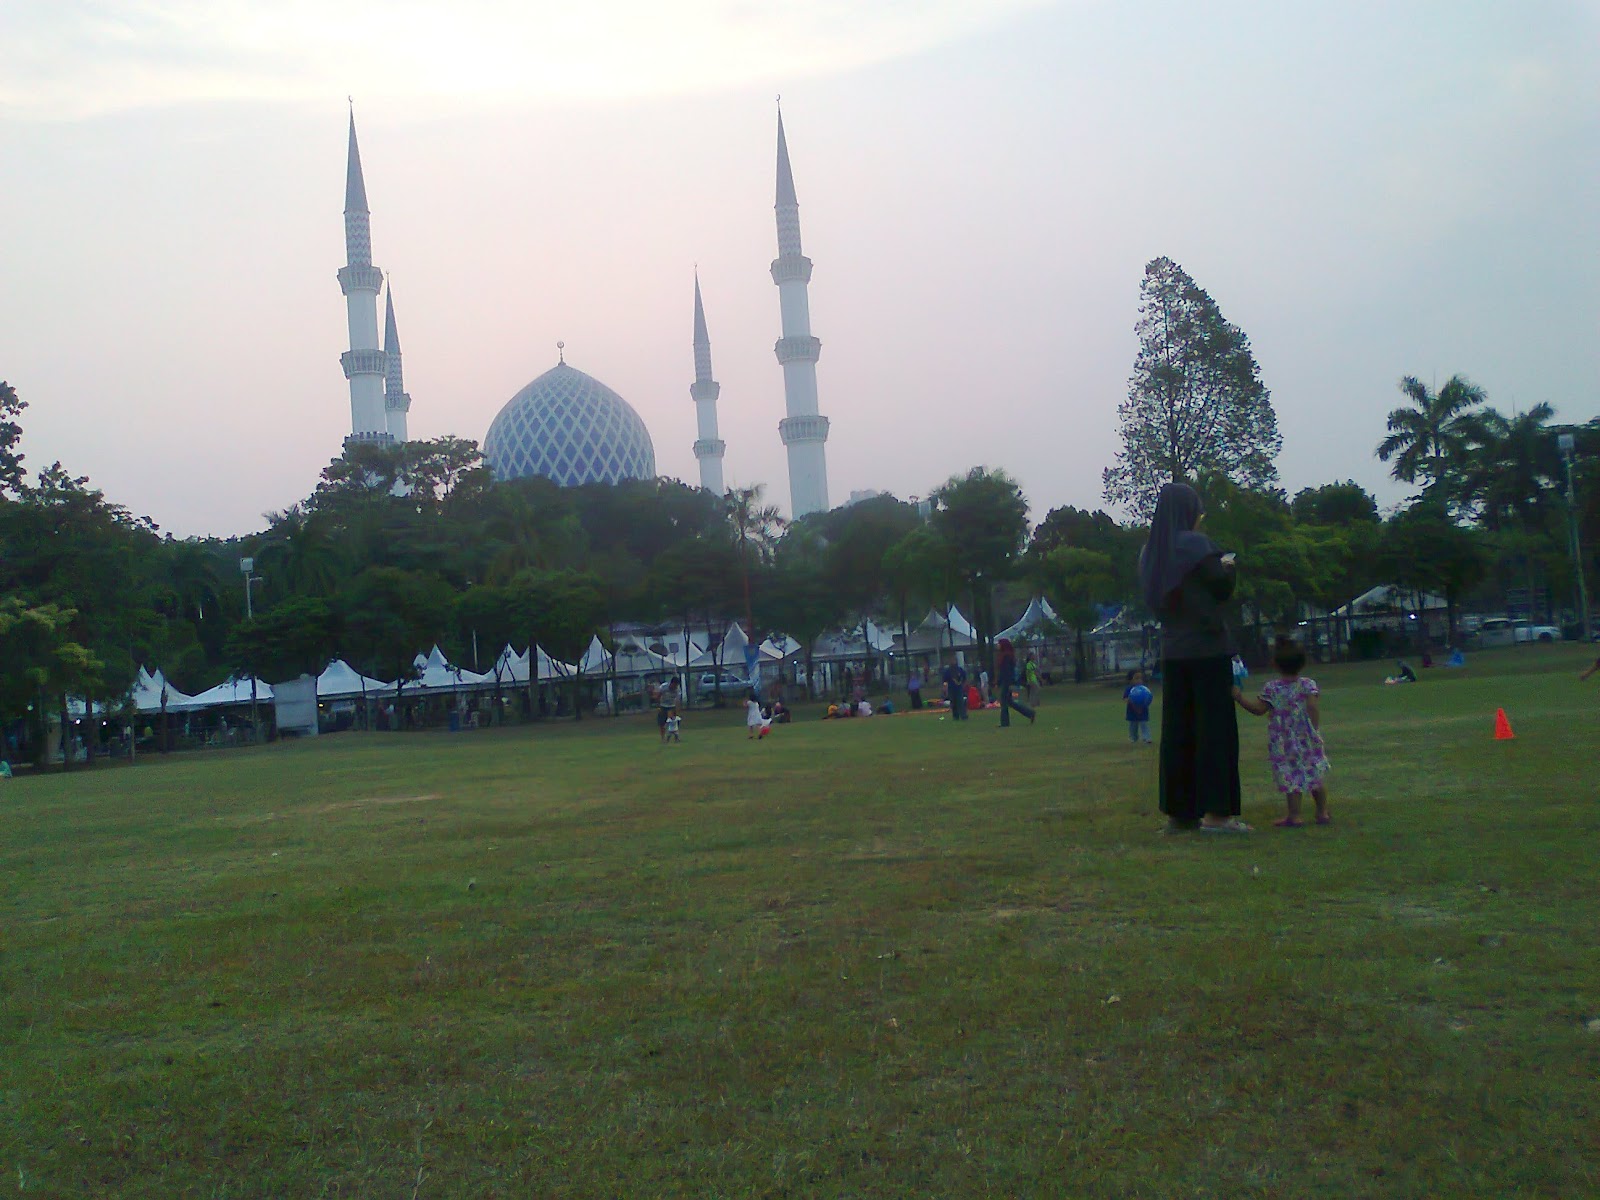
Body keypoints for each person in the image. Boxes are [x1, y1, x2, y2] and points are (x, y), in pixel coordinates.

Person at [1139, 482, 1247, 834]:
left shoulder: (1150, 553)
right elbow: (1221, 587)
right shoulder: (1197, 546)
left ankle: (1180, 813)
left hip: (1173, 651)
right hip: (1206, 647)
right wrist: (1229, 567)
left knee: (1178, 732)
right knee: (1214, 730)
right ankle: (1217, 815)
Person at [1234, 637, 1330, 827]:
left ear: (1275, 664)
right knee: (1314, 775)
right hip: (1307, 737)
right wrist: (1314, 729)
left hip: (1284, 740)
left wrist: (1239, 698)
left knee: (1290, 776)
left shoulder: (1272, 688)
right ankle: (1322, 812)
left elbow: (1258, 709)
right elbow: (1313, 706)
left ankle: (1295, 816)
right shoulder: (1308, 684)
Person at [996, 638, 1037, 727]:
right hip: (1006, 681)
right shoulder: (1005, 655)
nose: (997, 645)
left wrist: (1004, 682)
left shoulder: (1006, 656)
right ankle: (1030, 713)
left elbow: (1006, 671)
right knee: (1010, 702)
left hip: (1006, 682)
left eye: (999, 644)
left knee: (1004, 702)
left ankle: (1005, 722)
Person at [1124, 669, 1153, 744]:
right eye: (1136, 678)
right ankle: (1133, 738)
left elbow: (1149, 697)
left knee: (1144, 724)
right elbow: (1125, 698)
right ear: (1131, 680)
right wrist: (1132, 701)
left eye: (1140, 678)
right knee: (1133, 726)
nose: (1139, 680)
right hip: (1132, 711)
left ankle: (1147, 738)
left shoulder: (1144, 689)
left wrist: (1145, 702)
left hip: (1143, 710)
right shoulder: (1130, 689)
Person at [657, 678, 678, 743]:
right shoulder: (664, 687)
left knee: (673, 723)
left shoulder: (677, 689)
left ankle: (676, 738)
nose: (675, 687)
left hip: (671, 706)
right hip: (663, 706)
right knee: (662, 724)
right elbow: (658, 696)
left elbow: (677, 700)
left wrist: (676, 709)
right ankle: (663, 738)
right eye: (674, 685)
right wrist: (658, 706)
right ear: (671, 683)